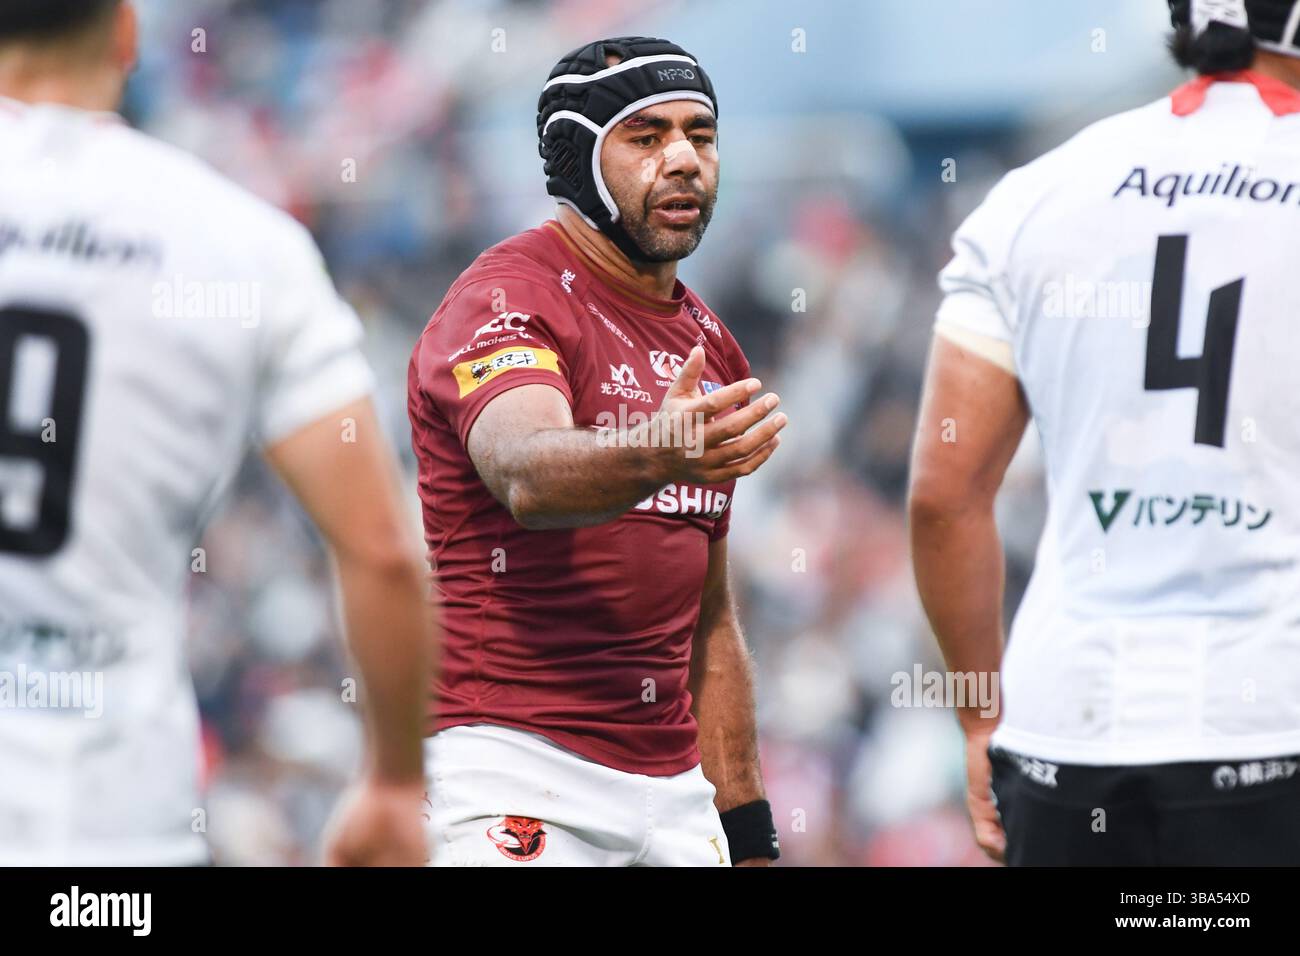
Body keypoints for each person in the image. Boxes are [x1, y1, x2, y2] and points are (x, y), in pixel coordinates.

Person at [0, 0, 431, 866]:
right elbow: (382, 551)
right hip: (112, 824)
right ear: (126, 34)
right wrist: (395, 779)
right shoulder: (242, 244)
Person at [910, 0, 1300, 866]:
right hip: (1273, 716)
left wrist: (979, 717)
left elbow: (943, 497)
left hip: (1073, 733)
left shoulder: (1038, 190)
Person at [408, 36, 787, 866]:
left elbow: (709, 624)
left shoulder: (710, 344)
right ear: (581, 159)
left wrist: (750, 833)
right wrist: (658, 450)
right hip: (512, 770)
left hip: (674, 792)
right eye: (647, 138)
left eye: (702, 134)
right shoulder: (505, 296)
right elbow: (526, 474)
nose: (685, 160)